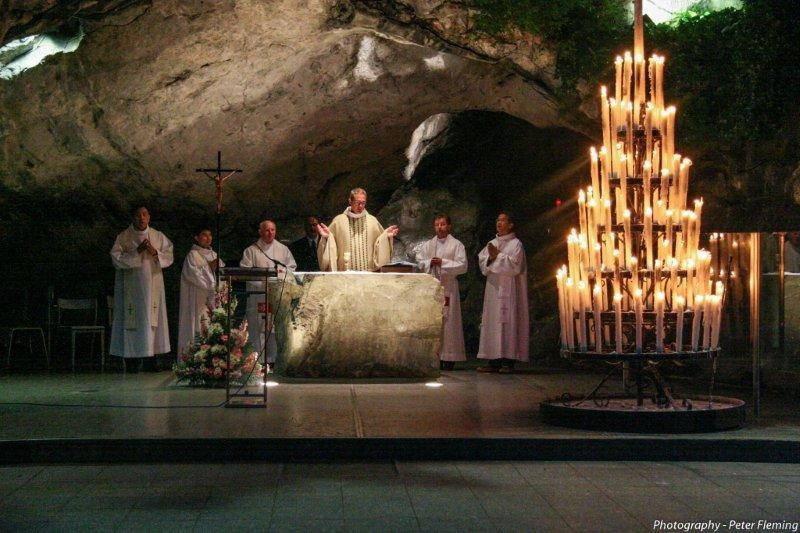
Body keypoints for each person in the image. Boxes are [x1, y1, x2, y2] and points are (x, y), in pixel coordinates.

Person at [110, 206, 174, 372]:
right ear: (133, 217)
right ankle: (132, 361)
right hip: (131, 290)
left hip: (153, 285)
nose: (141, 218)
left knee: (152, 322)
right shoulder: (124, 237)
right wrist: (137, 251)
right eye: (138, 215)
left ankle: (151, 360)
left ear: (149, 217)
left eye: (144, 214)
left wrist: (154, 251)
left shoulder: (158, 236)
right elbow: (116, 259)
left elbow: (169, 256)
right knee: (133, 322)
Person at [476, 212, 529, 373]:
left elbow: (516, 267)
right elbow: (483, 266)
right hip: (494, 289)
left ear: (511, 224)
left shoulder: (516, 244)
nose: (499, 223)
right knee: (493, 322)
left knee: (509, 322)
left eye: (503, 220)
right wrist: (491, 258)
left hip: (510, 290)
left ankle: (508, 360)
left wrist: (497, 256)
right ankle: (494, 360)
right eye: (497, 220)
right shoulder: (492, 243)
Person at [240, 218, 296, 365]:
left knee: (273, 328)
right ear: (260, 232)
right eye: (266, 230)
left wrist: (279, 278)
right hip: (257, 296)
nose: (270, 233)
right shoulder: (251, 251)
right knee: (257, 328)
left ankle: (273, 360)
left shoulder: (283, 249)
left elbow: (291, 268)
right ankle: (256, 361)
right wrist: (262, 283)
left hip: (275, 297)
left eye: (273, 230)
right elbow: (245, 272)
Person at [417, 214, 467, 370]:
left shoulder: (457, 245)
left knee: (449, 323)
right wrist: (429, 262)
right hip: (433, 288)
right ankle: (434, 356)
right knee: (434, 322)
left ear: (449, 226)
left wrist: (443, 263)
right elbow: (420, 261)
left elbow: (462, 265)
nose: (439, 227)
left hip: (449, 287)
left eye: (443, 224)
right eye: (437, 224)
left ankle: (449, 357)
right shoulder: (428, 245)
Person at [317, 187, 398, 271]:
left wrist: (386, 237)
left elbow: (379, 245)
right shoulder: (339, 221)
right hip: (345, 274)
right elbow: (331, 248)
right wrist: (327, 237)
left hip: (368, 273)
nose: (360, 206)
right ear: (350, 201)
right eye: (357, 203)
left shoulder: (372, 221)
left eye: (363, 203)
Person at [177, 226, 224, 355]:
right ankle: (195, 357)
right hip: (197, 299)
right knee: (198, 325)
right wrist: (209, 267)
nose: (208, 238)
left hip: (212, 299)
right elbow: (194, 276)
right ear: (197, 238)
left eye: (210, 234)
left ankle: (213, 357)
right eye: (204, 234)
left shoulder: (214, 254)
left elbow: (222, 277)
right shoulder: (193, 255)